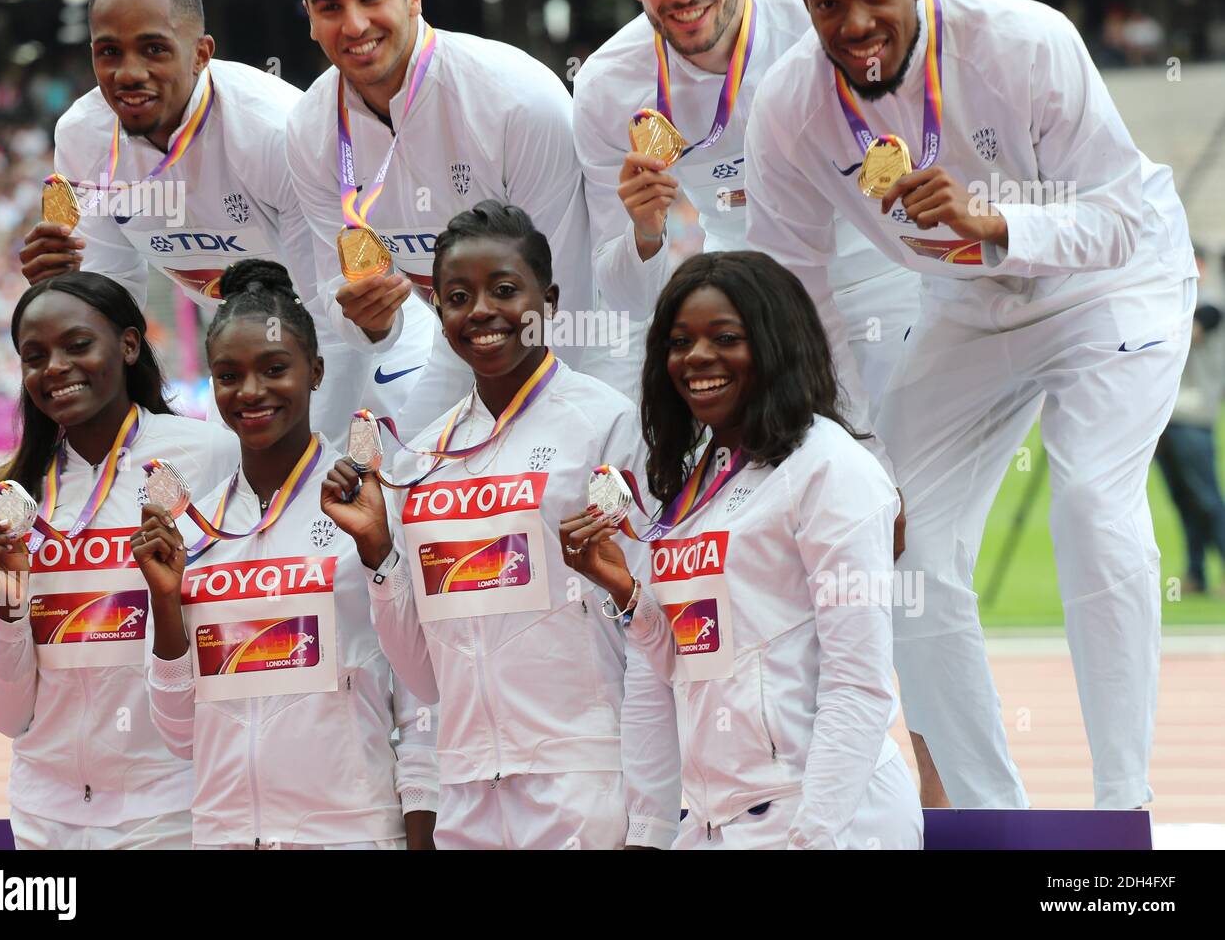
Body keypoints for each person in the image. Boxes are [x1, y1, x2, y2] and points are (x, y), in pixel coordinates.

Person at [744, 0, 1196, 810]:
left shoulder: (1024, 42)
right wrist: (858, 445)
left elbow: (1119, 218)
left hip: (1112, 285)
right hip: (967, 310)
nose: (855, 21)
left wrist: (995, 221)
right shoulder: (789, 107)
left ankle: (1122, 806)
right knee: (896, 542)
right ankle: (994, 821)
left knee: (1089, 503)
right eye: (826, 2)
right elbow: (797, 293)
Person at [320, 202, 680, 849]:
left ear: (551, 299)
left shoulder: (607, 424)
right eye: (458, 296)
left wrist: (651, 818)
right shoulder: (421, 459)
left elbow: (657, 628)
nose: (482, 310)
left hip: (585, 783)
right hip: (468, 795)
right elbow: (424, 676)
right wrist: (379, 555)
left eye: (505, 290)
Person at [559, 251, 922, 849]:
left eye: (725, 337)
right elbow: (682, 664)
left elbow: (858, 683)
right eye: (679, 342)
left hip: (825, 817)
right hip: (713, 822)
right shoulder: (690, 482)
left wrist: (814, 837)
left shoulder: (829, 469)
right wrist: (629, 596)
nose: (697, 357)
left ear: (778, 344)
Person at [15, 0, 422, 440]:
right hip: (254, 359)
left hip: (376, 347)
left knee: (376, 501)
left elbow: (328, 317)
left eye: (154, 49)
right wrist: (65, 288)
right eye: (109, 52)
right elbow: (113, 302)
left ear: (200, 54)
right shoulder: (83, 137)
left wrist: (302, 461)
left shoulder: (276, 130)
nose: (128, 73)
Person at [574, 0, 919, 410]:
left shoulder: (816, 17)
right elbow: (625, 297)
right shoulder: (606, 85)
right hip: (756, 304)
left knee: (902, 478)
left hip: (882, 274)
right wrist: (644, 234)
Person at [131, 259, 438, 849]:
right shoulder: (193, 529)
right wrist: (166, 608)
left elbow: (422, 692)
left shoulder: (370, 507)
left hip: (350, 832)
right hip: (224, 835)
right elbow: (180, 735)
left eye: (275, 369)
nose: (251, 392)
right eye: (229, 375)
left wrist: (421, 824)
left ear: (316, 371)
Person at [287, 0, 631, 438]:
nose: (354, 25)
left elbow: (565, 298)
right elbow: (342, 306)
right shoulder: (310, 129)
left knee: (562, 492)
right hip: (463, 345)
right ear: (309, 19)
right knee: (404, 486)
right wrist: (370, 321)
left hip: (593, 339)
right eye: (329, 7)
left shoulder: (517, 99)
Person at [0, 272, 239, 849]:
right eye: (34, 356)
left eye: (77, 345)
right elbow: (6, 715)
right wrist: (9, 606)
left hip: (170, 803)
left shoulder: (209, 455)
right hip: (43, 813)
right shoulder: (16, 495)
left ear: (130, 345)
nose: (55, 367)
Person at [1155, 248, 1225, 595]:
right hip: (1165, 417)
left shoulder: (1210, 304)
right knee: (1184, 502)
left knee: (1208, 500)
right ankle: (1196, 574)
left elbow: (1188, 334)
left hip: (1192, 417)